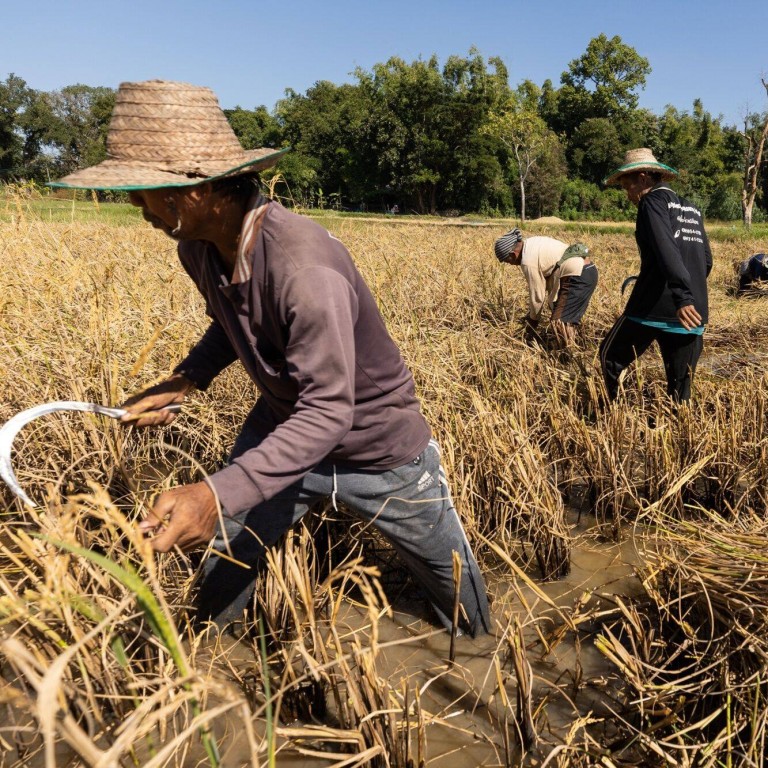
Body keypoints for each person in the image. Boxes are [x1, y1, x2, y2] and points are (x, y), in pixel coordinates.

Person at [50, 80, 490, 638]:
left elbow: (329, 412)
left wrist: (215, 494)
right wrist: (186, 379)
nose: (137, 207)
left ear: (197, 191)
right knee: (226, 562)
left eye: (143, 192)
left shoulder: (305, 271)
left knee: (458, 593)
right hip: (283, 427)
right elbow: (230, 322)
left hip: (379, 448)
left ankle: (480, 649)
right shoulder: (198, 247)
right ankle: (204, 652)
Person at [600, 148, 712, 403]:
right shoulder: (692, 209)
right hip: (693, 312)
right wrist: (689, 294)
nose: (628, 194)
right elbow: (706, 260)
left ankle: (615, 411)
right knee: (680, 384)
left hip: (654, 305)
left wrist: (681, 295)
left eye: (627, 186)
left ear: (642, 178)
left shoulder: (651, 202)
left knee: (610, 356)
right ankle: (679, 425)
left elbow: (665, 249)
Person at [494, 228, 598, 350]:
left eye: (508, 261)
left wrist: (532, 324)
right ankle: (576, 345)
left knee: (560, 323)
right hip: (588, 271)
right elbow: (552, 280)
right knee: (564, 317)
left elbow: (537, 297)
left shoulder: (527, 260)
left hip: (578, 276)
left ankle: (567, 355)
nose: (510, 264)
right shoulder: (531, 244)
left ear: (513, 254)